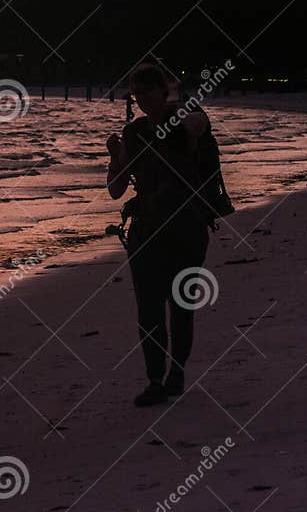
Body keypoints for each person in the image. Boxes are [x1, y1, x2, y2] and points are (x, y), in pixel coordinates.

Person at [106, 63, 211, 407]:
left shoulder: (187, 119)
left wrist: (175, 109)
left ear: (163, 91)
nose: (140, 100)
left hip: (186, 228)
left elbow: (197, 126)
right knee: (148, 309)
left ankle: (176, 374)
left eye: (146, 92)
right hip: (146, 230)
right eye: (135, 94)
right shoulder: (134, 133)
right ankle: (155, 379)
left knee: (181, 305)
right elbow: (115, 190)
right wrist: (115, 159)